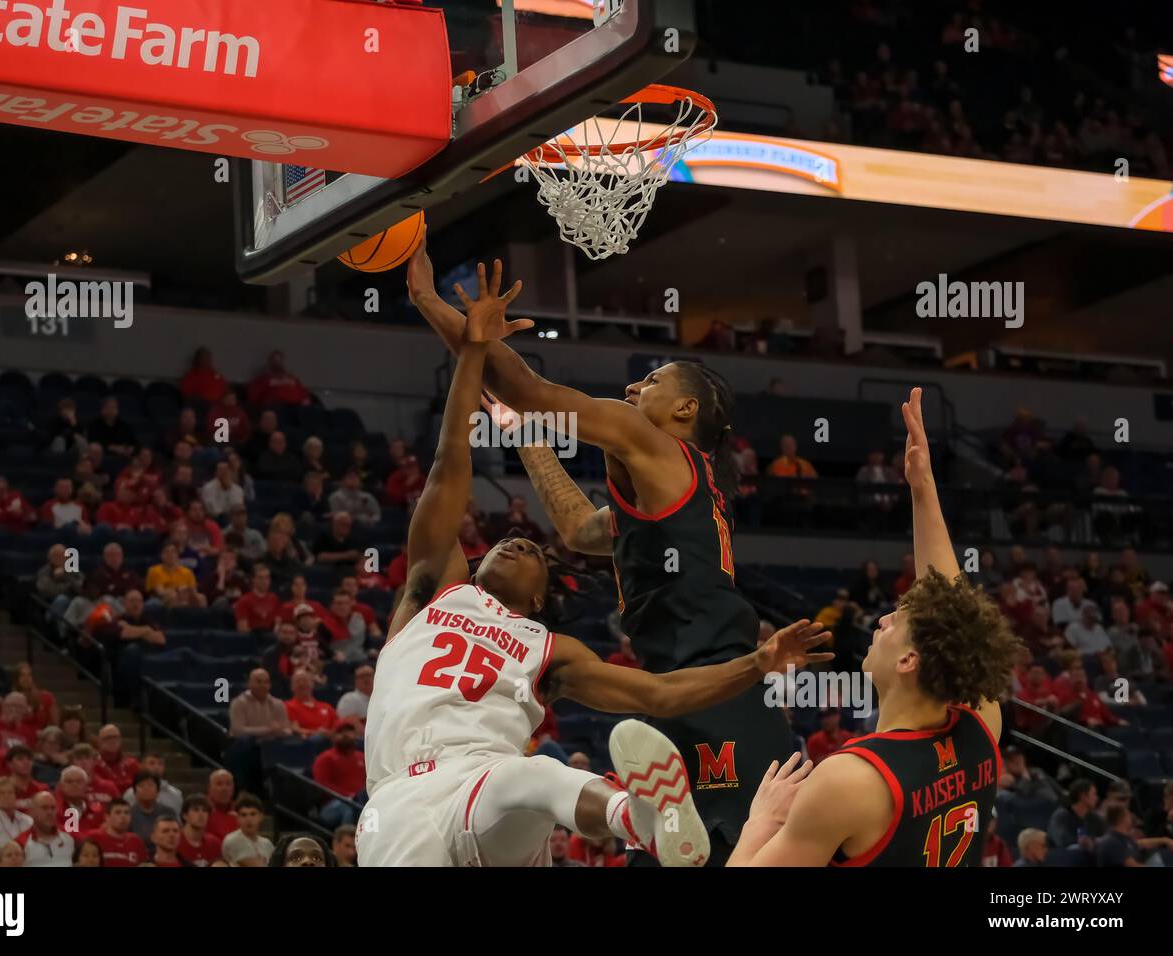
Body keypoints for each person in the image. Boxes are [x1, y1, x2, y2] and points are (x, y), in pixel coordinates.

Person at [358, 281, 828, 868]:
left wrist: (447, 316)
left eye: (652, 381)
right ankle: (637, 820)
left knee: (740, 852)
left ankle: (637, 819)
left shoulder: (654, 444)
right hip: (697, 692)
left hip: (709, 688)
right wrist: (523, 433)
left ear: (685, 410)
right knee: (684, 848)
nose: (633, 387)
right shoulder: (674, 495)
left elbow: (526, 388)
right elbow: (580, 531)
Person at [730, 389, 1017, 866]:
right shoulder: (981, 724)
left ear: (909, 660)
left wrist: (759, 823)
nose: (881, 618)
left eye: (895, 621)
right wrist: (922, 488)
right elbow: (951, 603)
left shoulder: (850, 780)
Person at [15, 791, 75, 867]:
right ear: (32, 811)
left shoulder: (69, 839)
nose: (50, 812)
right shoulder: (20, 844)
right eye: (44, 808)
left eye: (53, 808)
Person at [84, 798, 148, 867]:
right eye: (118, 812)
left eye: (126, 813)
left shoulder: (136, 841)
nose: (123, 816)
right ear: (107, 817)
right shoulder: (93, 837)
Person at [222, 794, 274, 866]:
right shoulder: (232, 840)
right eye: (244, 815)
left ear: (261, 816)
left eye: (253, 814)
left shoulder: (267, 844)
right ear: (237, 818)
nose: (248, 819)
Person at [176, 795, 223, 866]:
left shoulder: (214, 843)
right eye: (196, 810)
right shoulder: (175, 842)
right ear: (185, 815)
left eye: (204, 810)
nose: (201, 814)